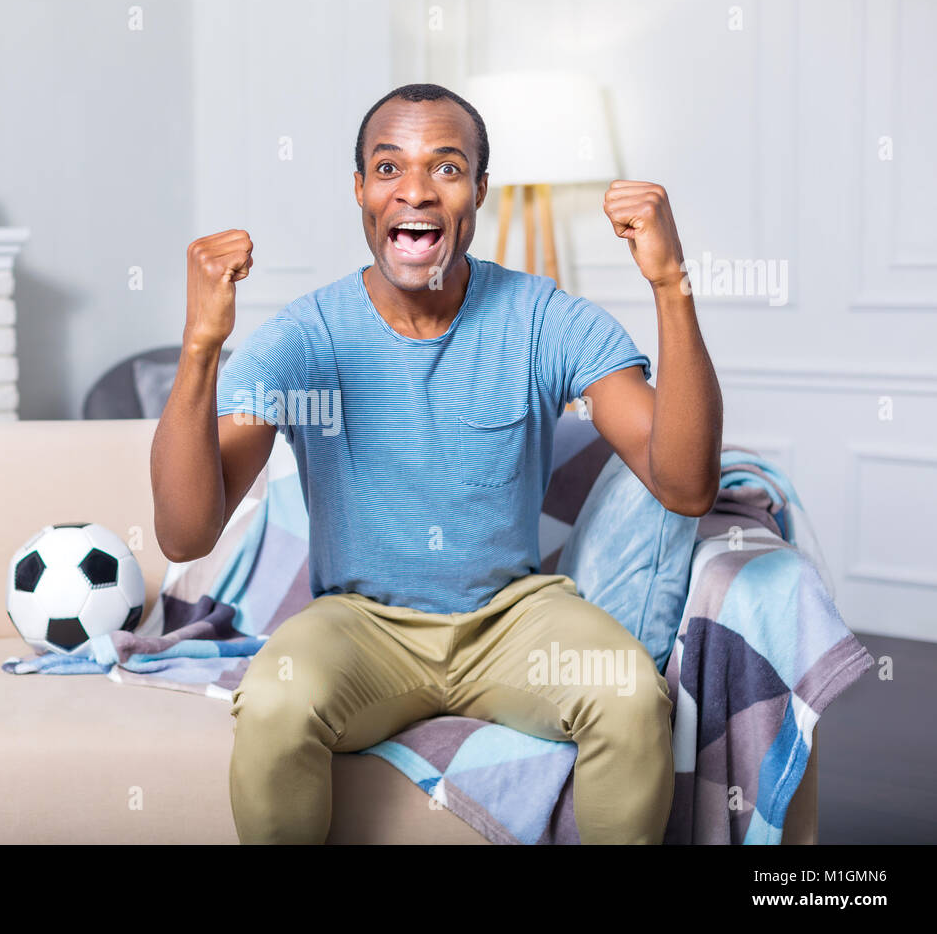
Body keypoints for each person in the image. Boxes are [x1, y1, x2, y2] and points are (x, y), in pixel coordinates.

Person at [149, 83, 722, 844]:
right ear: (359, 190)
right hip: (360, 625)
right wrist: (199, 349)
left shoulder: (542, 317)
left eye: (446, 169)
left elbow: (686, 487)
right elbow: (186, 535)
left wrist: (670, 286)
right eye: (388, 169)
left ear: (479, 190)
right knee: (276, 702)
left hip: (511, 615)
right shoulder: (305, 337)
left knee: (631, 694)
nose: (414, 190)